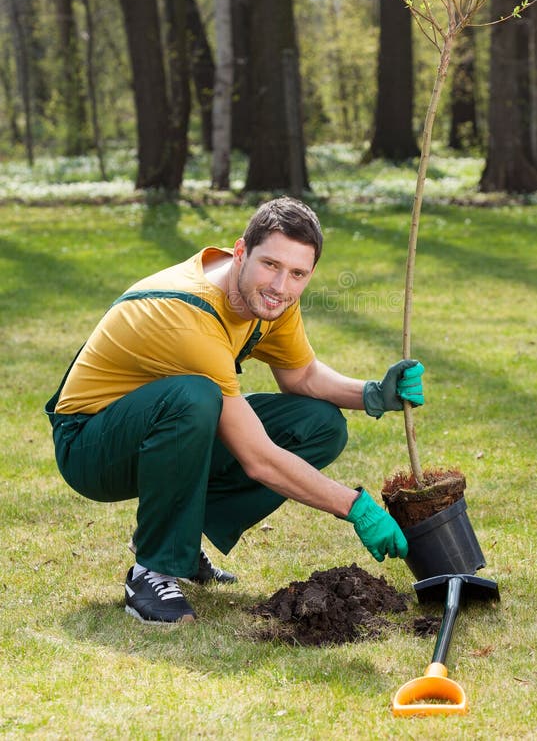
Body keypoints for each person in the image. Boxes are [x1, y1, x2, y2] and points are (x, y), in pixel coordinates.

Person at [45, 197, 425, 625]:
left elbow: (302, 377)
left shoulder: (270, 300)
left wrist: (374, 394)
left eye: (297, 273)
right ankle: (152, 570)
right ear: (241, 251)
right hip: (90, 444)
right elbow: (258, 458)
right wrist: (355, 507)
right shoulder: (188, 314)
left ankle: (177, 534)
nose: (280, 285)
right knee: (195, 397)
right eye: (270, 265)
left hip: (158, 424)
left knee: (319, 425)